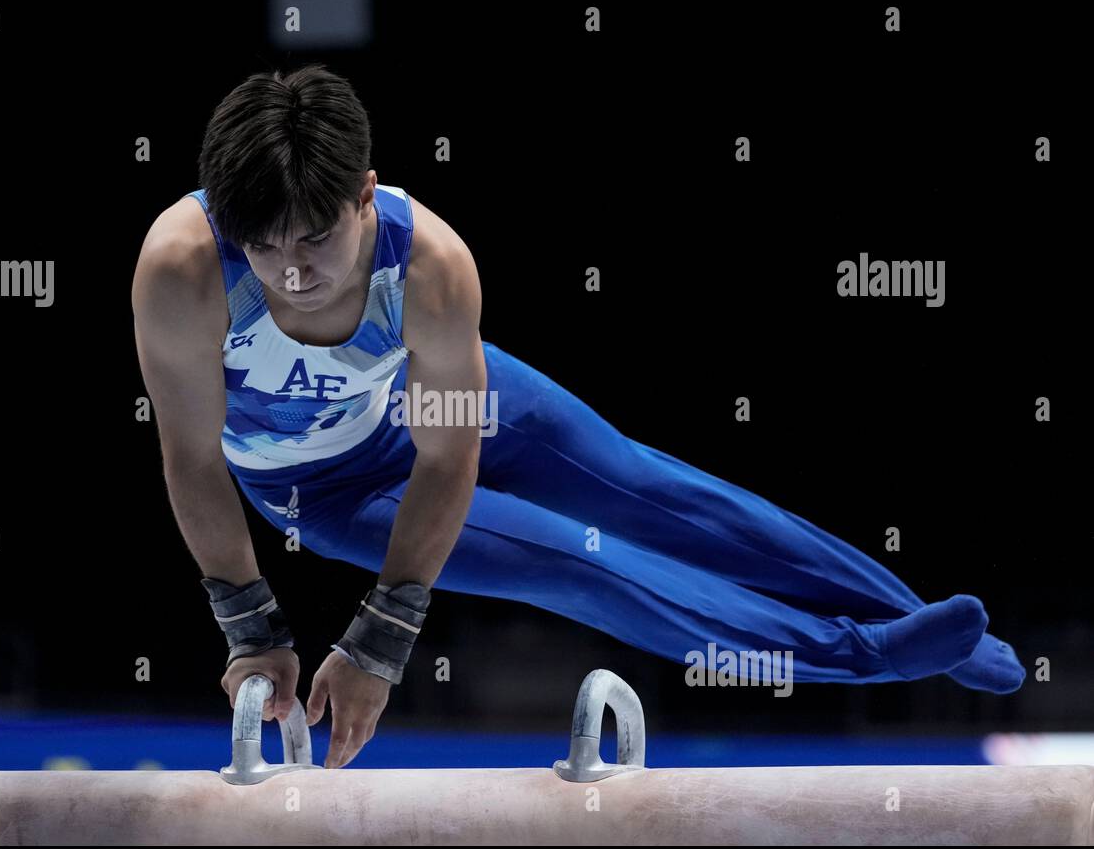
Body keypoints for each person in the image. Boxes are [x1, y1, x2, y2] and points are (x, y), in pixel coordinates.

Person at [131, 65, 1025, 768]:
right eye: (264, 245)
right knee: (585, 568)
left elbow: (447, 462)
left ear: (367, 194)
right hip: (320, 485)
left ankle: (917, 624)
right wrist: (253, 631)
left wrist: (379, 642)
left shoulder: (432, 264)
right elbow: (192, 459)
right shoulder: (182, 269)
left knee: (654, 492)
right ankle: (867, 654)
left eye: (315, 239)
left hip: (438, 408)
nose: (289, 273)